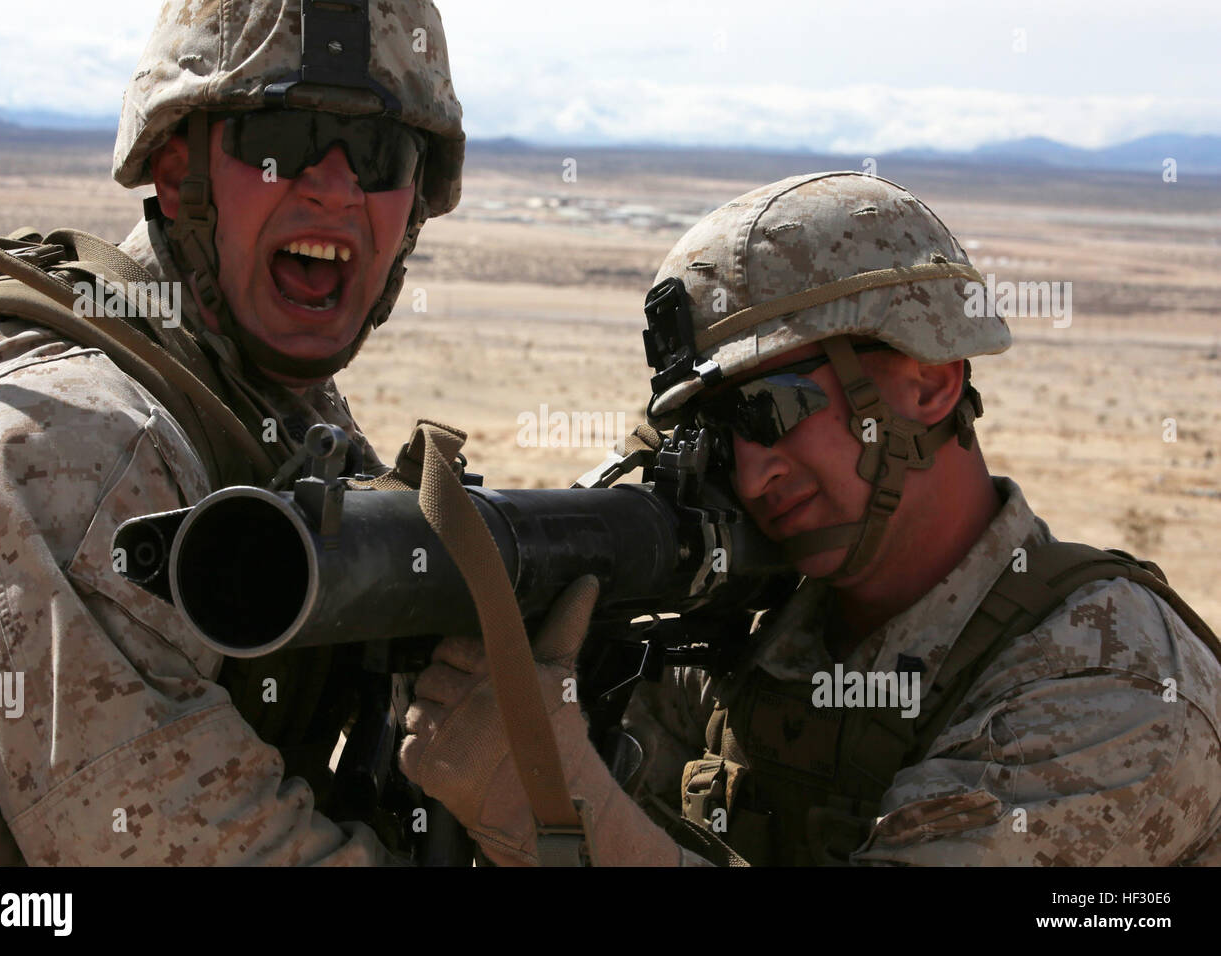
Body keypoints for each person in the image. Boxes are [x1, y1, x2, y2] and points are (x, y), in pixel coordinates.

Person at [400, 171, 1221, 866]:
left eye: (772, 409)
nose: (753, 472)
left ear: (929, 381)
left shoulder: (1114, 685)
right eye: (719, 437)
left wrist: (549, 797)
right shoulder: (768, 631)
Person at [0, 0, 464, 865]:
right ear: (178, 176)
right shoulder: (76, 433)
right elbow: (156, 841)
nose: (332, 186)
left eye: (378, 154)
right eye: (282, 141)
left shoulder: (272, 411)